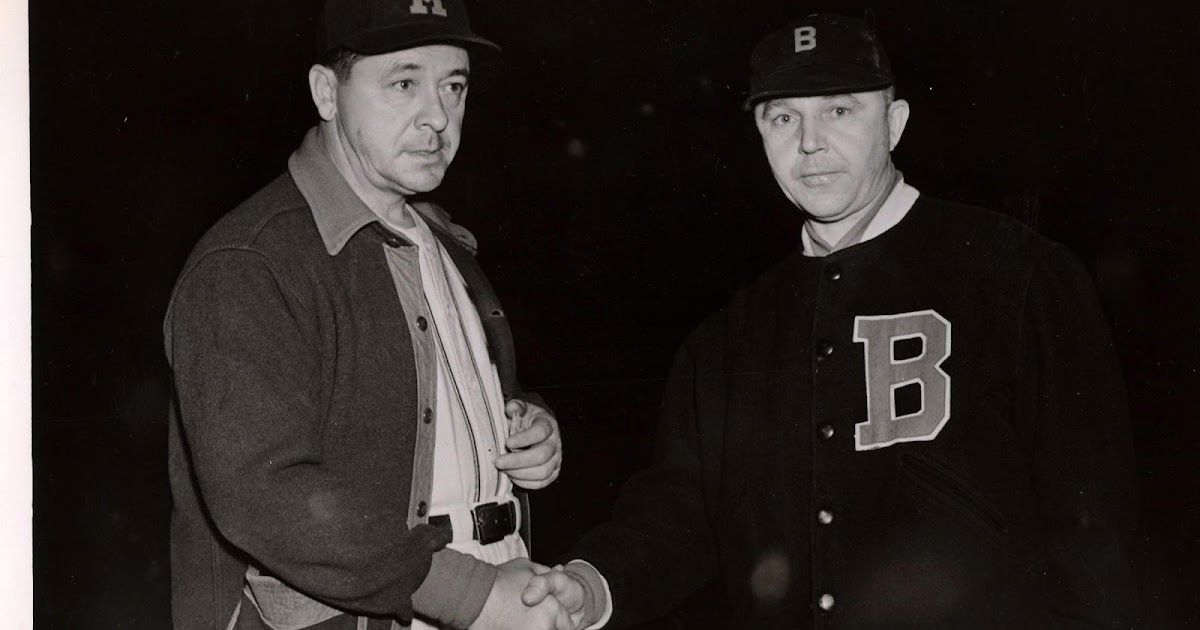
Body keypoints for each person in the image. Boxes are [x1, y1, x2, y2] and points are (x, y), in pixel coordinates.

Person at [523, 12, 1140, 629]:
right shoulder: (727, 338)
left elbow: (1094, 530)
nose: (810, 143)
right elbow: (682, 513)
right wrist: (593, 583)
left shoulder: (1015, 274)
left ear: (894, 123)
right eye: (783, 117)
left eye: (840, 111)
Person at [163, 1, 572, 628]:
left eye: (454, 86)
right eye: (404, 82)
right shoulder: (250, 260)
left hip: (503, 581)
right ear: (327, 93)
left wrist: (527, 425)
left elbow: (461, 401)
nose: (438, 116)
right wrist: (472, 596)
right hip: (381, 610)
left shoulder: (442, 242)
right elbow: (263, 493)